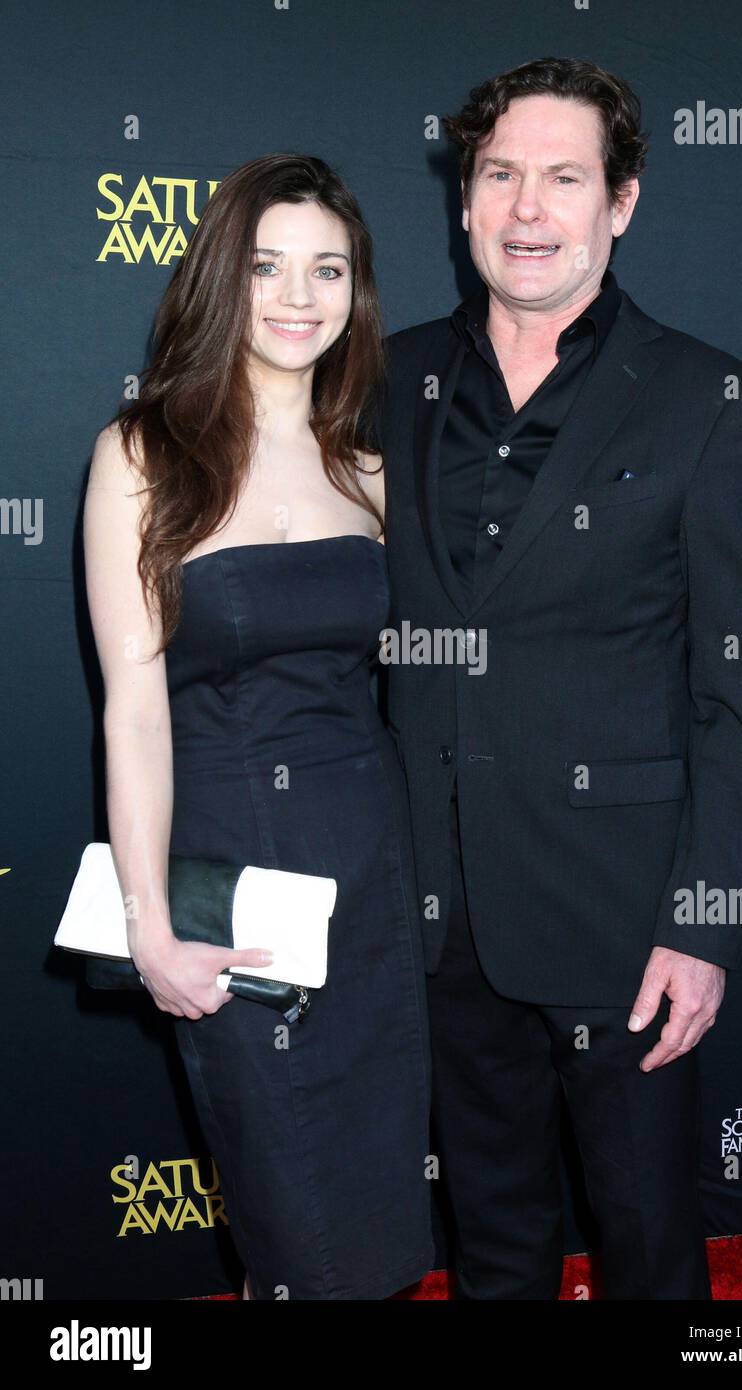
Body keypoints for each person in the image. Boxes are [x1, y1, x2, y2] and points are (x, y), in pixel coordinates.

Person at [377, 57, 742, 1299]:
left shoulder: (708, 398)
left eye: (564, 177)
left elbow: (736, 686)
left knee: (648, 1246)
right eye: (499, 175)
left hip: (623, 925)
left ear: (622, 202)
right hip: (435, 912)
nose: (526, 210)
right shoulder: (383, 384)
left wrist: (703, 920)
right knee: (489, 1247)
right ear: (463, 200)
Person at [83, 154, 434, 1301]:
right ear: (222, 280)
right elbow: (134, 715)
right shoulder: (143, 454)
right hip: (231, 876)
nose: (298, 295)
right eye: (268, 265)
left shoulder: (369, 466)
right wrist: (148, 923)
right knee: (290, 1211)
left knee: (377, 1209)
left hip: (368, 865)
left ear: (356, 291)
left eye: (327, 268)